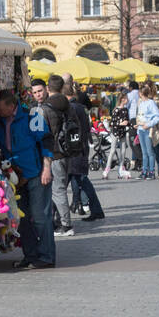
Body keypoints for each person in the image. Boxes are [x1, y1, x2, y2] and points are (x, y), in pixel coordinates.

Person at [0, 90, 56, 269]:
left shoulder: (32, 115)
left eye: (1, 108)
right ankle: (30, 255)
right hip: (14, 176)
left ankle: (46, 256)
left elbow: (46, 141)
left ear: (12, 106)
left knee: (40, 216)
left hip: (36, 173)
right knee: (21, 217)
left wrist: (47, 168)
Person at [55, 77, 104, 224]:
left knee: (69, 183)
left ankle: (92, 210)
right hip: (79, 149)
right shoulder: (79, 107)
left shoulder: (71, 108)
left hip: (74, 151)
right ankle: (90, 208)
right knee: (76, 181)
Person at [30, 78, 73, 235]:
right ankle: (58, 221)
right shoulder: (64, 104)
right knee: (58, 189)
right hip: (64, 152)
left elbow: (39, 136)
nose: (38, 95)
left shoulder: (42, 109)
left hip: (53, 154)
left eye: (40, 91)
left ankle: (66, 225)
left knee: (58, 190)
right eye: (35, 92)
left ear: (46, 89)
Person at [135, 81, 159, 180]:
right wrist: (138, 125)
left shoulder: (151, 103)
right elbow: (140, 116)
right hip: (140, 129)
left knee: (150, 152)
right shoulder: (141, 103)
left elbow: (158, 116)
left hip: (147, 130)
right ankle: (144, 171)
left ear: (141, 93)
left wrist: (148, 124)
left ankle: (151, 171)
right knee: (144, 152)